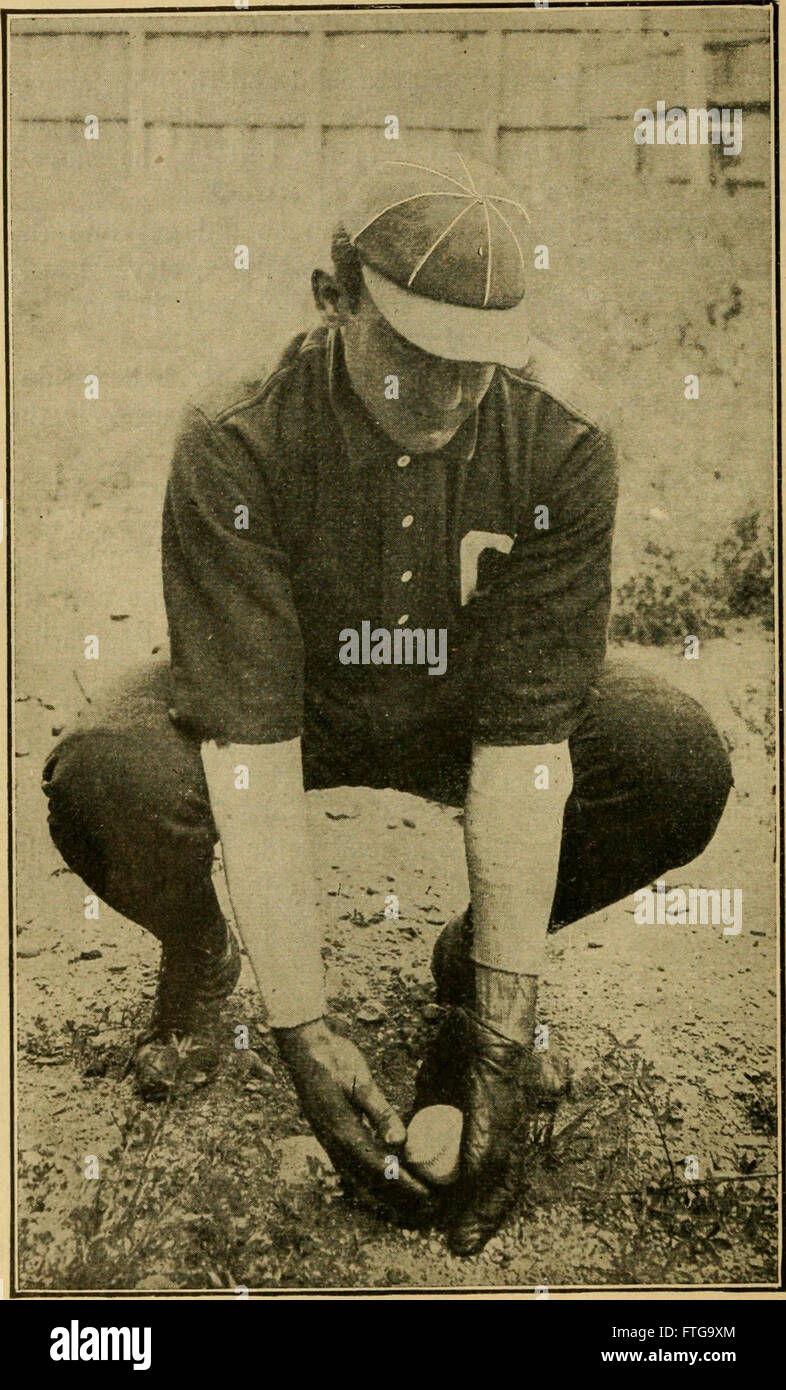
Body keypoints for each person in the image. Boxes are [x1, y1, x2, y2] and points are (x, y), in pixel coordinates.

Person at [42, 152, 732, 1255]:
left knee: (673, 754)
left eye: (482, 365)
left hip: (469, 704)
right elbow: (251, 746)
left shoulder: (561, 436)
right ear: (335, 294)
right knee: (108, 779)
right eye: (419, 354)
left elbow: (529, 739)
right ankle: (198, 952)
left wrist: (496, 1028)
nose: (455, 397)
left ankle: (462, 966)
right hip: (294, 699)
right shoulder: (237, 433)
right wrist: (302, 1028)